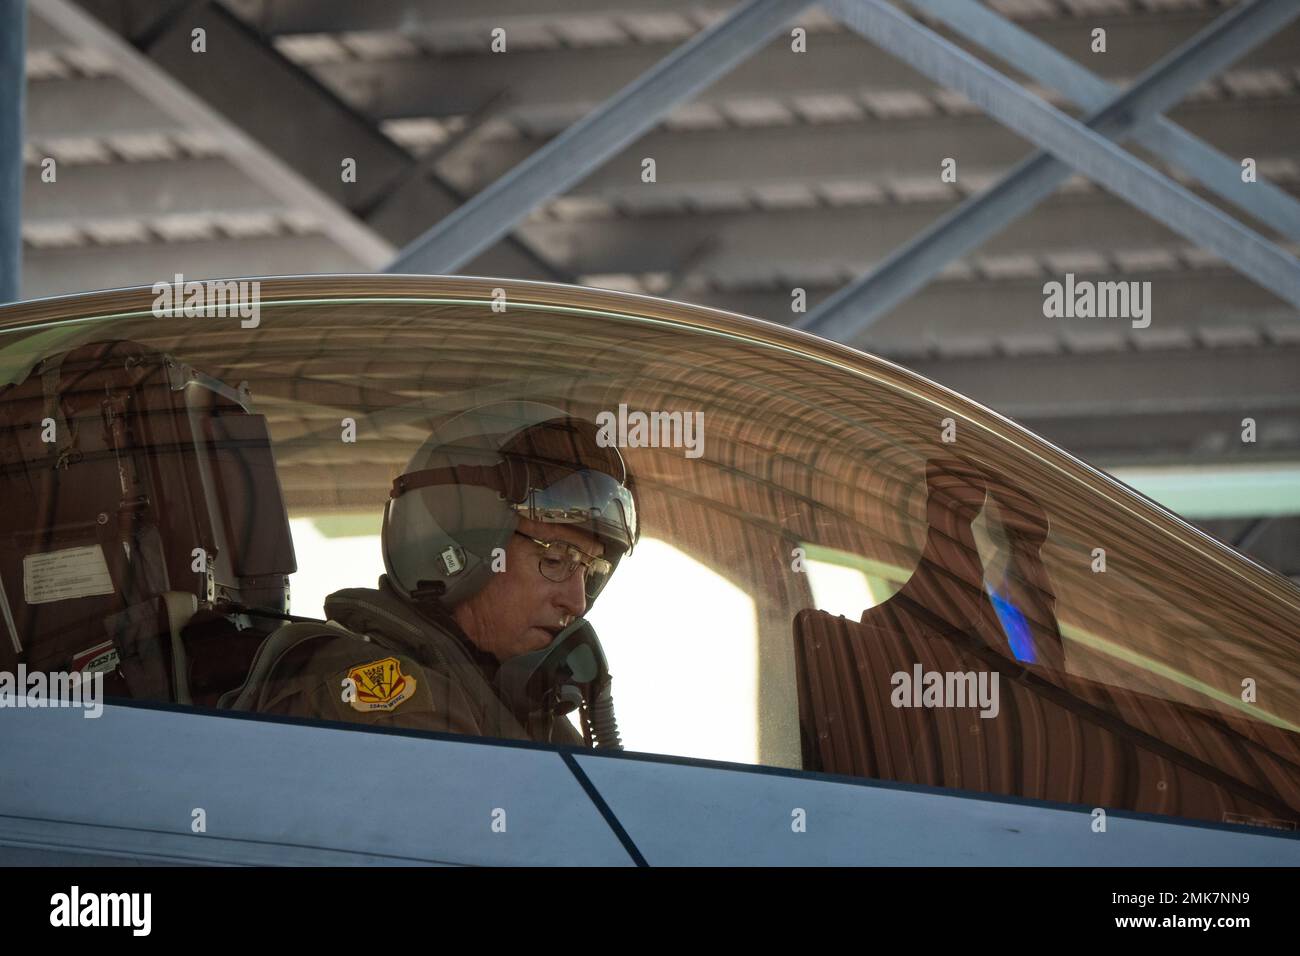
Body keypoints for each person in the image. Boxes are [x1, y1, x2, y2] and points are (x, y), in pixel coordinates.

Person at [238, 401, 638, 745]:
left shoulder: (508, 705)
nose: (577, 601)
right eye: (554, 560)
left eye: (589, 571)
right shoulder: (395, 704)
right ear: (457, 551)